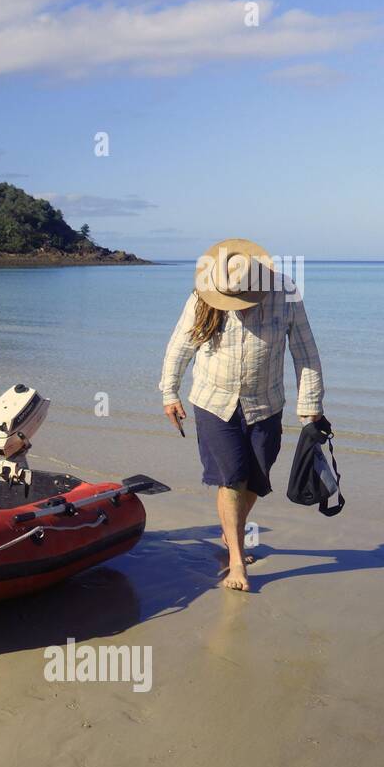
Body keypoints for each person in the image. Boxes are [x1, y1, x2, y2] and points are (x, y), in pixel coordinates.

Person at [159, 238, 325, 591]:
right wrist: (169, 393)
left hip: (266, 402)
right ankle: (236, 558)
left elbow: (305, 352)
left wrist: (310, 405)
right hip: (214, 402)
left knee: (257, 480)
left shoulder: (287, 294)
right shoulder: (203, 295)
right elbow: (180, 345)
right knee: (231, 478)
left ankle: (228, 531)